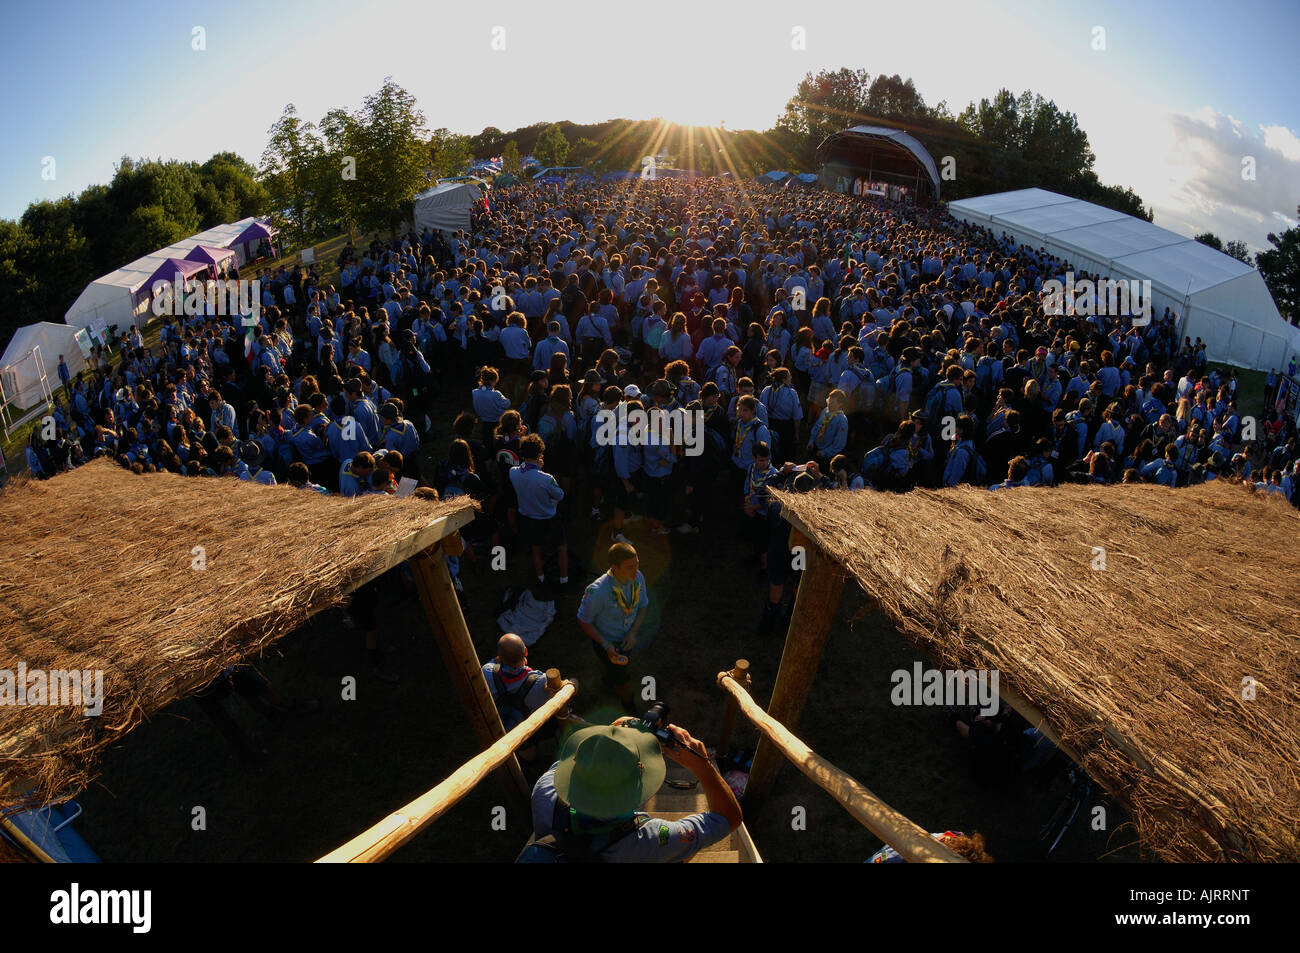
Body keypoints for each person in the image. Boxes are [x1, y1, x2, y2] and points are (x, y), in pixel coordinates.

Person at [522, 720, 742, 862]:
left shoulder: (544, 791)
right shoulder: (652, 840)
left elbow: (570, 763)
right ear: (638, 789)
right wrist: (702, 766)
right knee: (683, 851)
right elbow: (730, 818)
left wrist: (607, 739)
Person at [577, 543, 648, 712]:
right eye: (630, 567)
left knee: (610, 666)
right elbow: (583, 620)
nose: (636, 570)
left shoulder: (638, 577)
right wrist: (606, 644)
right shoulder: (597, 592)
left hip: (626, 638)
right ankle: (628, 705)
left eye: (637, 563)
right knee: (622, 679)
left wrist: (633, 632)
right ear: (614, 568)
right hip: (606, 640)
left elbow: (644, 605)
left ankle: (606, 680)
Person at [483, 634, 556, 761]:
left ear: (500, 658)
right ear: (526, 651)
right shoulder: (540, 681)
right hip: (528, 731)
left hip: (500, 726)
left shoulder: (487, 672)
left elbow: (492, 663)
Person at [510, 434, 570, 586]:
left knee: (536, 548)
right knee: (561, 547)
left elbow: (523, 470)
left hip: (528, 518)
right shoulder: (546, 478)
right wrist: (539, 469)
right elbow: (560, 495)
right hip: (549, 518)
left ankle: (540, 576)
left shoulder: (513, 472)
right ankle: (564, 579)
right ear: (540, 454)